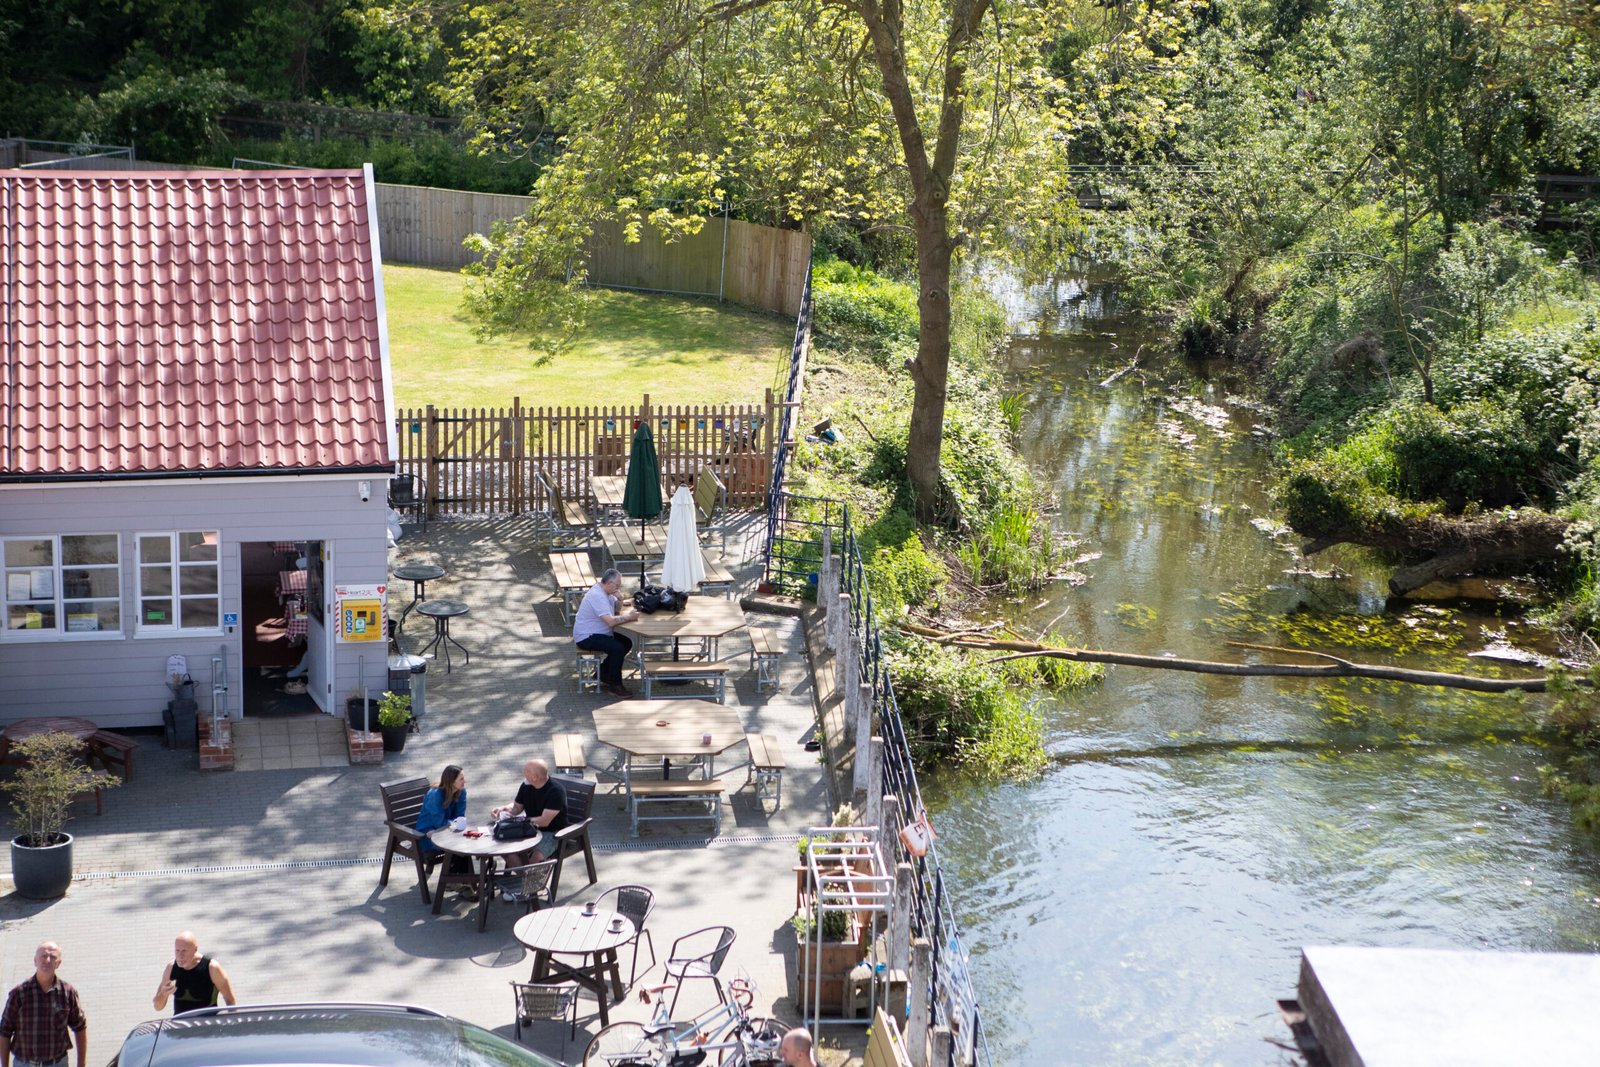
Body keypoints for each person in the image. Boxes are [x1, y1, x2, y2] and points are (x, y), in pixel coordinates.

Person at [0, 940, 87, 1067]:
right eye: (43, 956)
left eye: (52, 957)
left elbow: (80, 1027)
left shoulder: (67, 993)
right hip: (24, 1063)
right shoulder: (19, 994)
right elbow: (4, 1031)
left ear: (58, 963)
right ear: (35, 961)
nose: (47, 960)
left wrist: (81, 1064)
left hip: (57, 1063)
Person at [573, 568, 640, 696]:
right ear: (609, 583)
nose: (618, 588)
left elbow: (615, 611)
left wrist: (620, 599)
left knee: (626, 643)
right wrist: (629, 617)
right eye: (617, 586)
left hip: (600, 632)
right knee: (617, 648)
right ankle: (615, 685)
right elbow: (610, 621)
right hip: (587, 636)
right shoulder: (598, 596)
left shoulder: (607, 592)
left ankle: (602, 673)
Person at [490, 758, 566, 863]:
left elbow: (544, 821)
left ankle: (526, 877)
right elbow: (517, 807)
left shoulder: (556, 792)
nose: (523, 773)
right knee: (505, 850)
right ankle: (524, 877)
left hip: (551, 832)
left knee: (536, 858)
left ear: (535, 777)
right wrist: (504, 809)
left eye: (526, 771)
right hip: (528, 827)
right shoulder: (526, 785)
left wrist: (520, 821)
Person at [152, 931, 236, 1014]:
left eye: (184, 951)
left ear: (195, 949)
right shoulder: (171, 968)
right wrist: (163, 995)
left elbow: (230, 999)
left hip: (207, 1024)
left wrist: (233, 1023)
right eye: (177, 951)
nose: (180, 956)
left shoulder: (212, 968)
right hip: (180, 1024)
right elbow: (157, 1007)